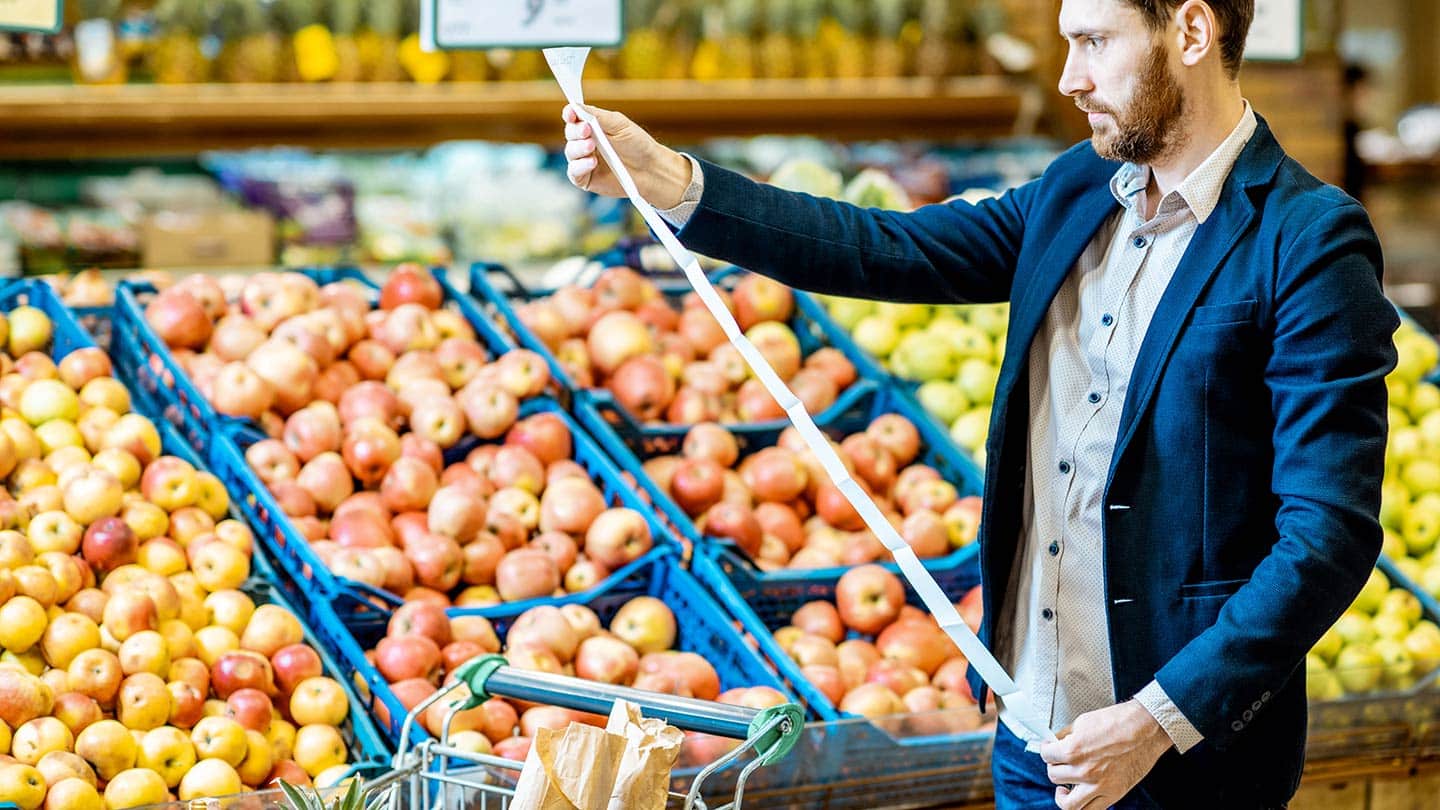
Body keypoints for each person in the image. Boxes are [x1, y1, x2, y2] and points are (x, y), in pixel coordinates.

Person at [562, 0, 1397, 807]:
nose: (1069, 77)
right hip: (1034, 745)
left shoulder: (1309, 239)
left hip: (1188, 767)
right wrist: (671, 179)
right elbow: (886, 247)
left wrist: (1153, 721)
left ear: (1189, 30)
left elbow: (1328, 536)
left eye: (1094, 42)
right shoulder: (1079, 189)